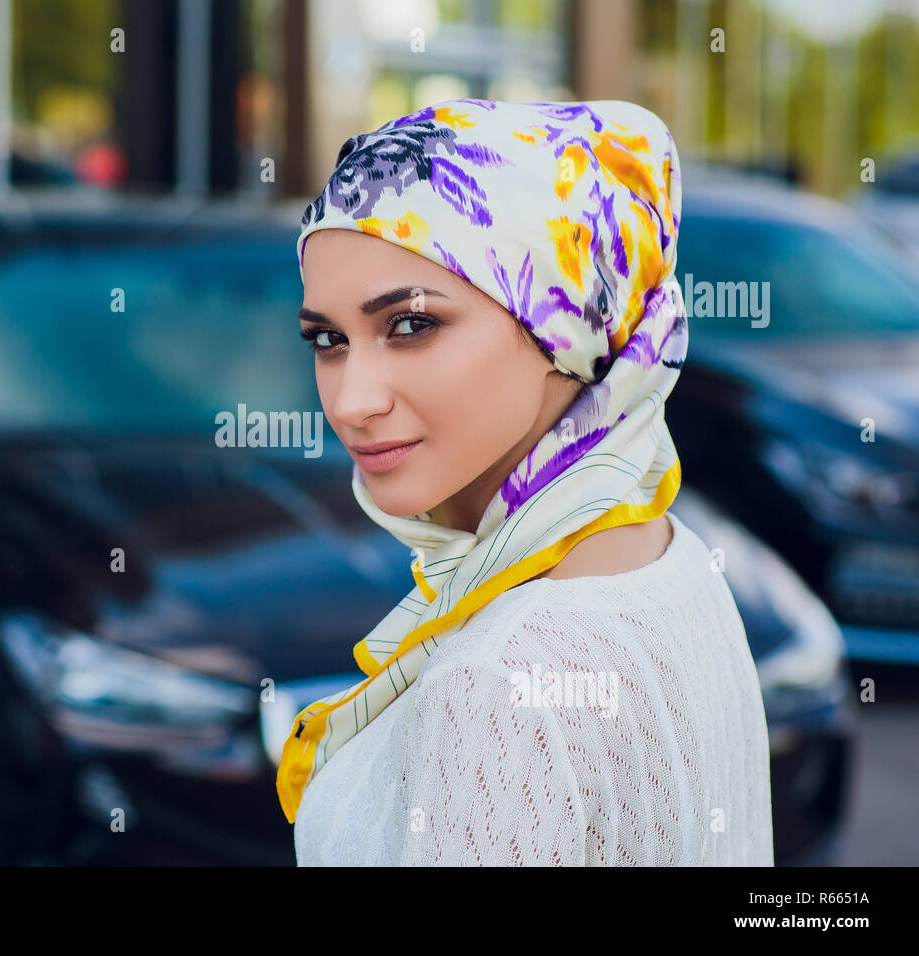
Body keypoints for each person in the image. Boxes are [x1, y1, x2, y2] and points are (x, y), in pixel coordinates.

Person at [279, 98, 774, 866]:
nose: (351, 401)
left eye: (411, 325)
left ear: (564, 320)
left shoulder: (495, 687)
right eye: (328, 339)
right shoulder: (667, 559)